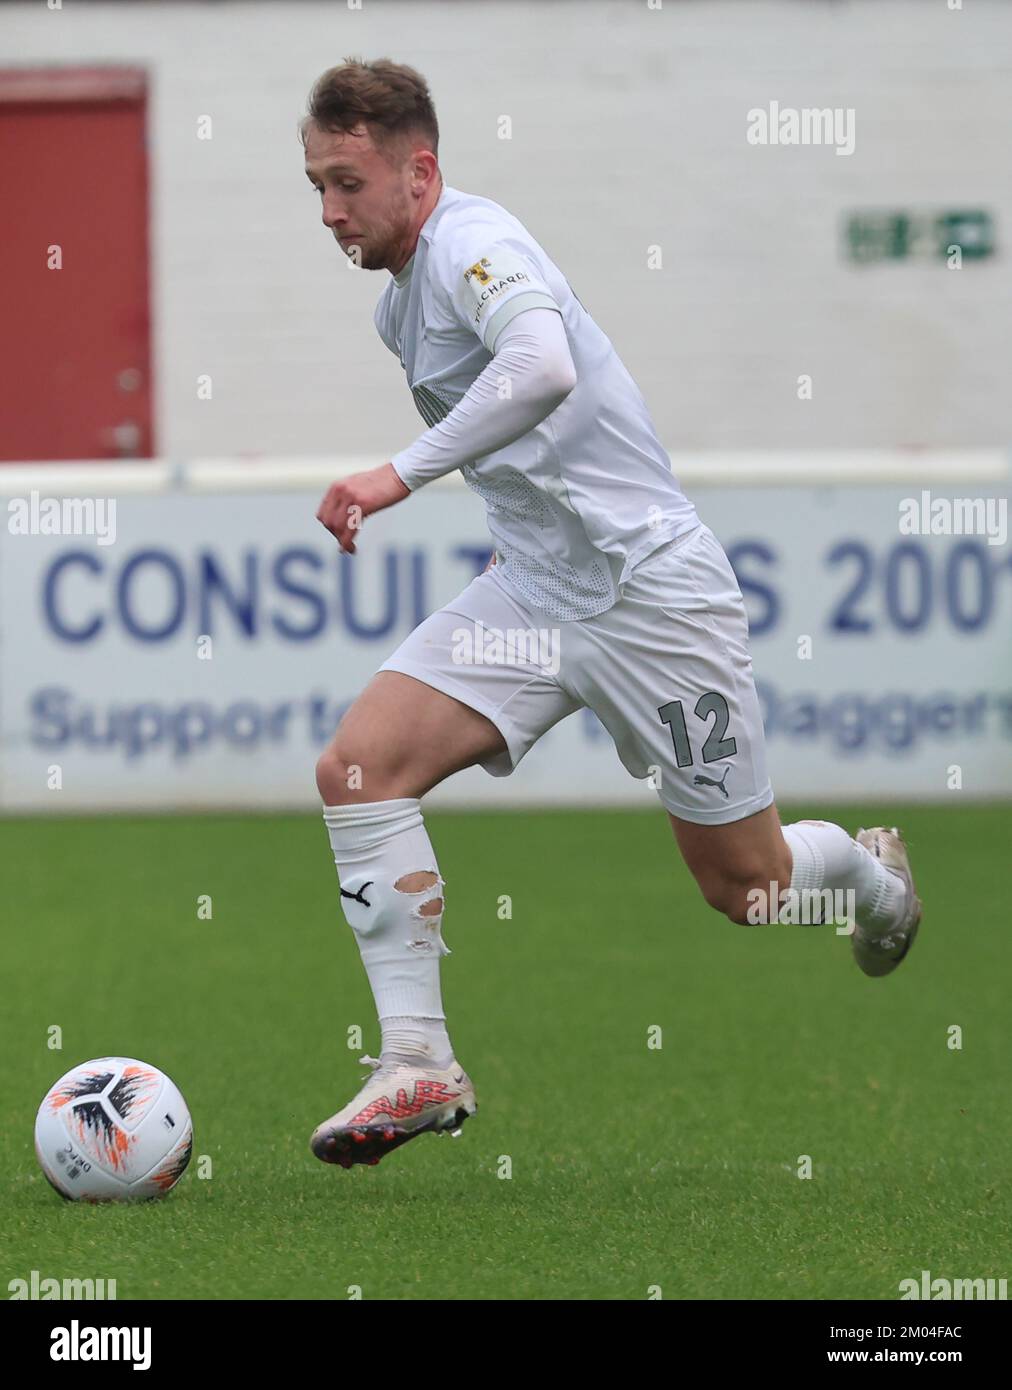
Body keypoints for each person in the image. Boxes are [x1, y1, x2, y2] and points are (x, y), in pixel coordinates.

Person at [300, 59, 921, 1170]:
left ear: (421, 170)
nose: (333, 211)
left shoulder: (476, 243)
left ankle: (871, 878)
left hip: (651, 597)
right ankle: (418, 1059)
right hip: (535, 596)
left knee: (750, 889)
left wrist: (396, 476)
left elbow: (540, 368)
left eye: (348, 181)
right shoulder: (401, 308)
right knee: (357, 765)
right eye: (318, 188)